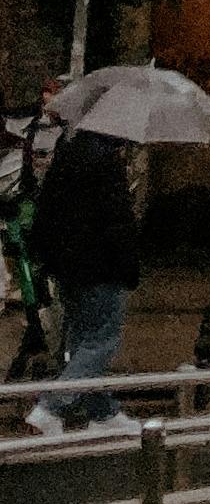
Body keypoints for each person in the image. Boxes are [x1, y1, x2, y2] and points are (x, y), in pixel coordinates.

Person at [27, 110, 139, 433]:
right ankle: (50, 407)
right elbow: (117, 223)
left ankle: (101, 412)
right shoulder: (106, 163)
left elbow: (47, 208)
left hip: (68, 268)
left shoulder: (69, 151)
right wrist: (129, 267)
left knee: (82, 340)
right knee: (102, 340)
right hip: (100, 268)